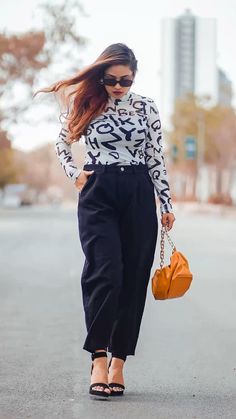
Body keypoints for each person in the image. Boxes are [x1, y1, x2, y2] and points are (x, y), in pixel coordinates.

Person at [35, 43, 175, 400]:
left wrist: (165, 202)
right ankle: (98, 357)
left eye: (125, 81)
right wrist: (75, 176)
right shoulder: (86, 103)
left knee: (132, 279)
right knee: (105, 272)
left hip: (138, 192)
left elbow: (155, 155)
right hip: (98, 191)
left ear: (134, 78)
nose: (118, 86)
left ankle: (119, 363)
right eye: (111, 79)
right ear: (101, 76)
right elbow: (62, 144)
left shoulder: (147, 107)